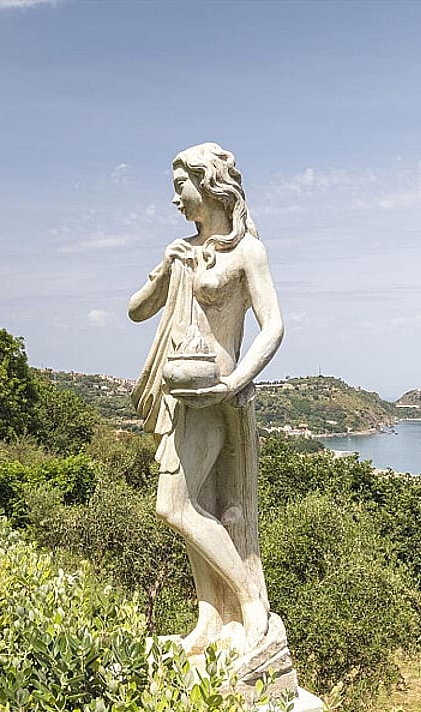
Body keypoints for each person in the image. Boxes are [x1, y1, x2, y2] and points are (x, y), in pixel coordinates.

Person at [129, 143, 286, 657]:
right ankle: (211, 617)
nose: (175, 198)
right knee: (195, 505)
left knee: (175, 505)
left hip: (217, 397)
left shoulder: (247, 252)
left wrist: (235, 382)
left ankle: (249, 601)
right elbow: (136, 311)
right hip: (181, 393)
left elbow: (273, 327)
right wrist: (163, 266)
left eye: (181, 186)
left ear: (209, 182)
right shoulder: (180, 249)